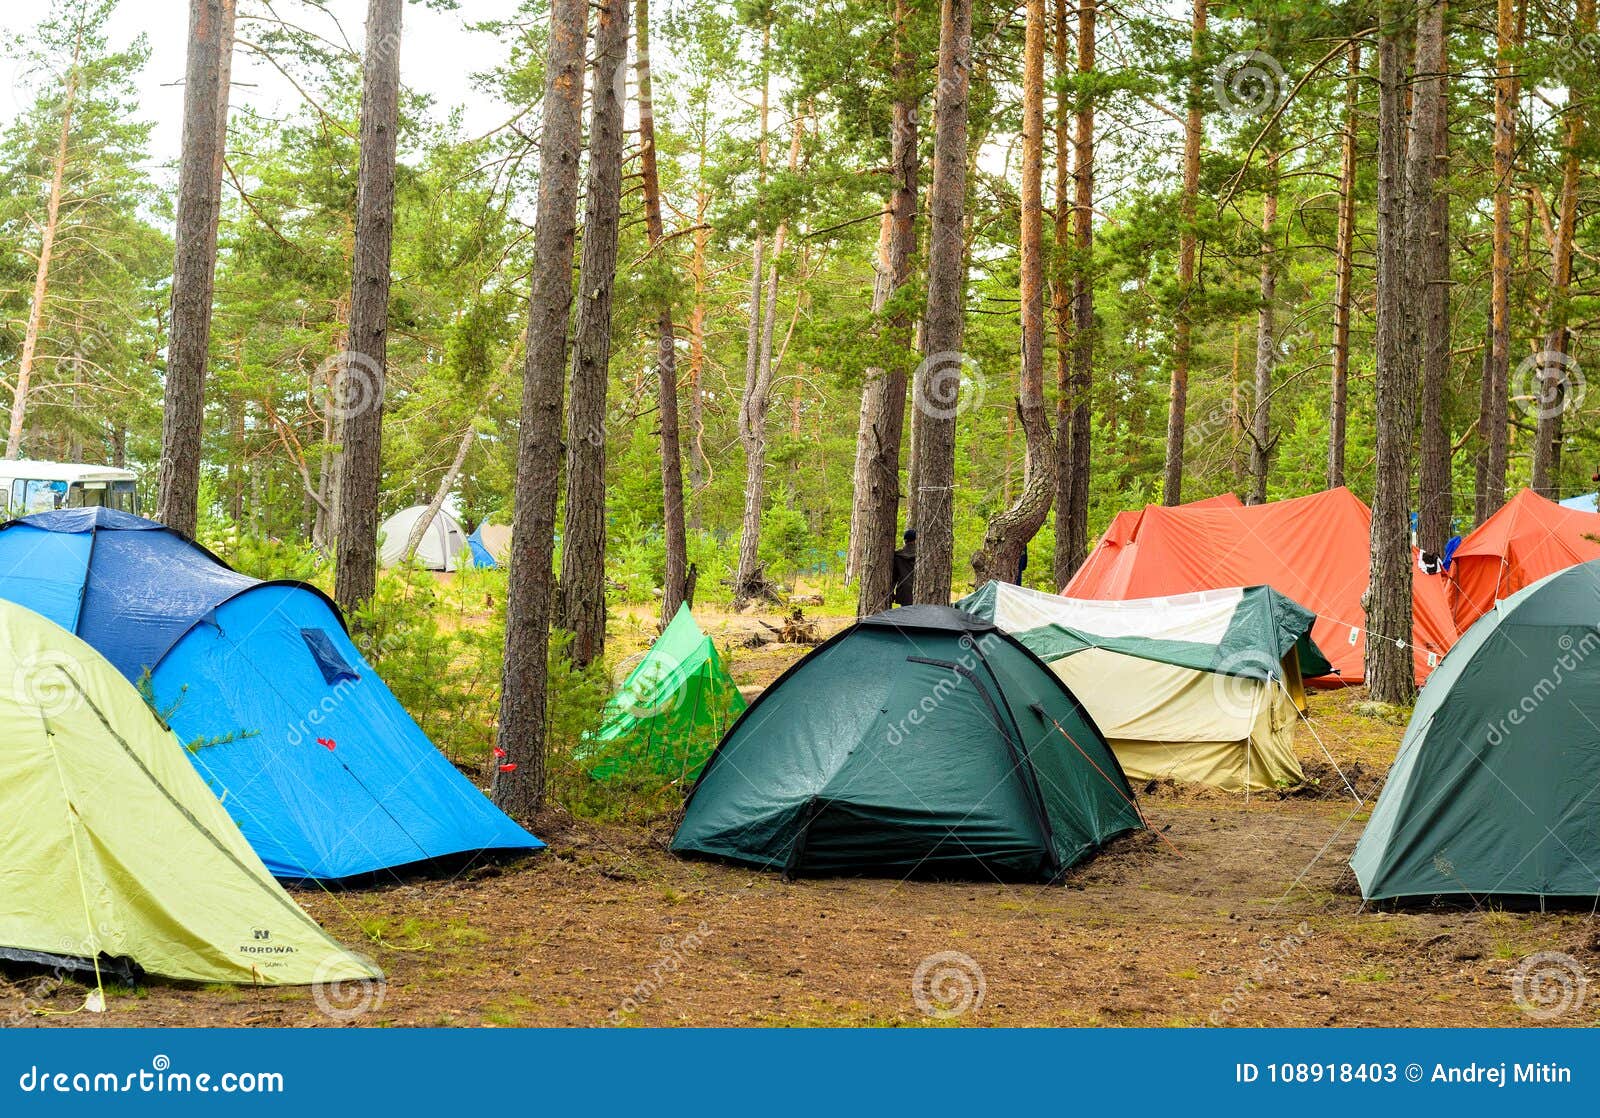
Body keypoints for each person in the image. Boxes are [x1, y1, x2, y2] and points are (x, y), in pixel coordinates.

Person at [891, 528, 917, 606]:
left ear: (905, 541)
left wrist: (891, 594)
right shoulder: (922, 554)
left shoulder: (897, 556)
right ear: (916, 540)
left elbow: (893, 578)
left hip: (904, 593)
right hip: (920, 591)